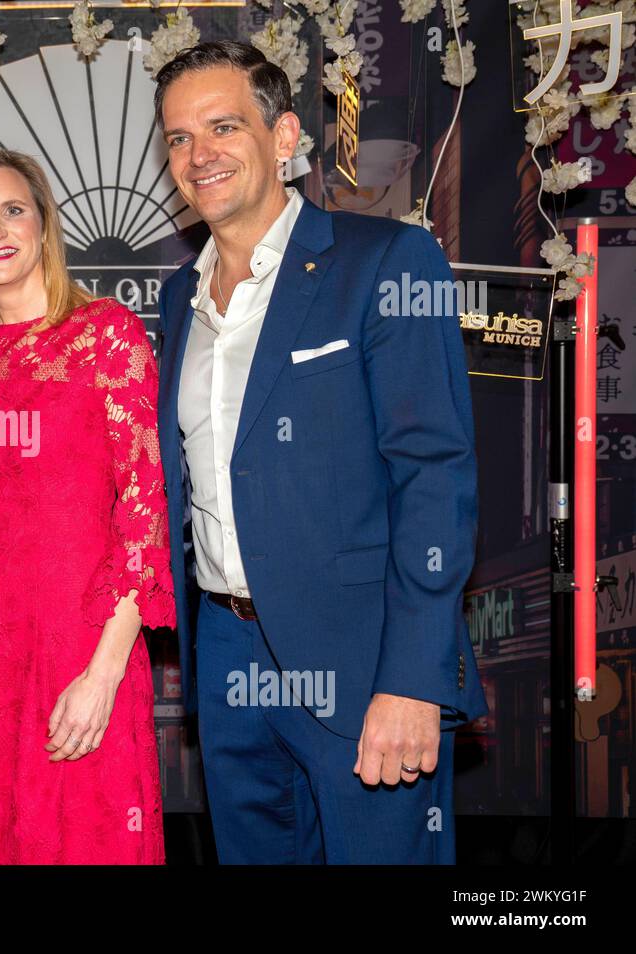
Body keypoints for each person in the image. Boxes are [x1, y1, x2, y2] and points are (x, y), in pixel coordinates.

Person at [153, 41, 487, 864]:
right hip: (227, 654)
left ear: (286, 135)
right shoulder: (176, 300)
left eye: (223, 126)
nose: (199, 156)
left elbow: (434, 478)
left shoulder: (385, 263)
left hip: (364, 657)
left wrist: (413, 676)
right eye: (178, 138)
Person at [0, 147, 175, 864]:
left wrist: (103, 675)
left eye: (11, 210)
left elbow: (145, 514)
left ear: (42, 224)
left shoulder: (106, 335)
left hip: (81, 646)